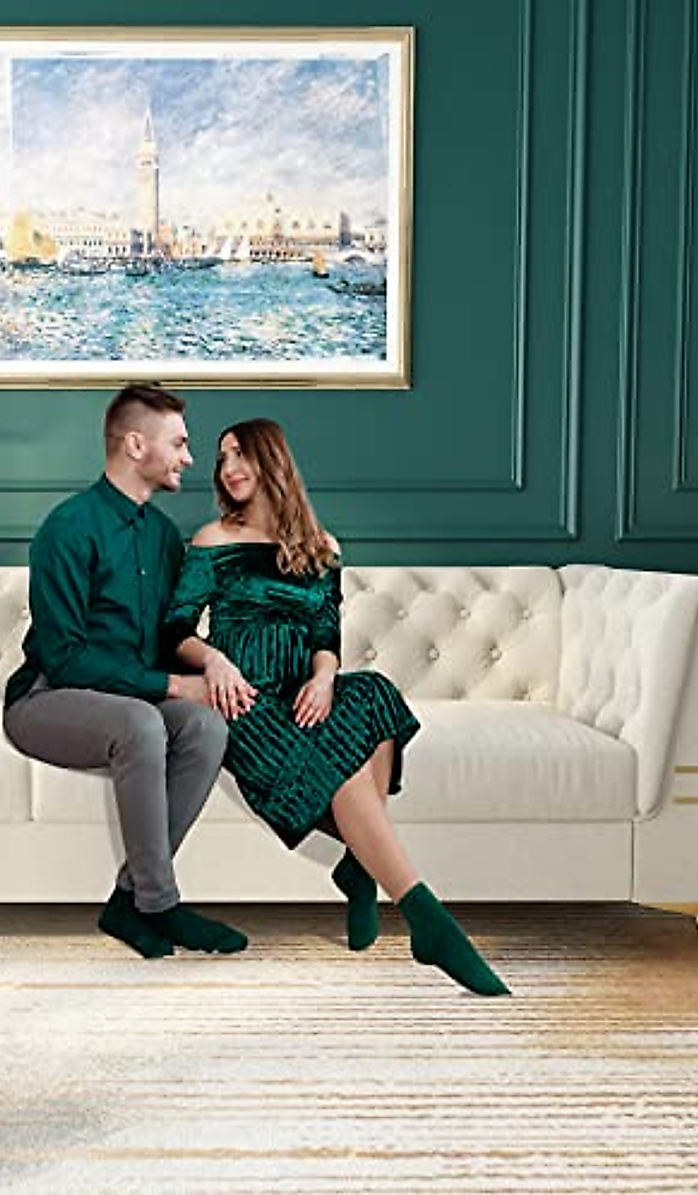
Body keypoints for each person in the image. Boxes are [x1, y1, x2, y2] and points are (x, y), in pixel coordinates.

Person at [163, 418, 509, 996]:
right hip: (247, 699)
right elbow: (174, 630)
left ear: (272, 461)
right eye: (223, 458)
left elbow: (326, 636)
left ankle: (361, 865)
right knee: (343, 761)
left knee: (371, 691)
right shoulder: (212, 539)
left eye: (240, 454)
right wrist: (214, 661)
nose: (228, 469)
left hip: (304, 692)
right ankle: (427, 919)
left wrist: (325, 679)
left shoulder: (323, 546)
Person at [3, 382, 247, 959]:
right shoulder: (68, 528)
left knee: (206, 726)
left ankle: (126, 901)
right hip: (47, 699)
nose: (190, 458)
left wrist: (215, 665)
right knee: (141, 723)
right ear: (137, 445)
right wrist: (172, 685)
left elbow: (170, 637)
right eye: (179, 444)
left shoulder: (162, 537)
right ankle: (160, 905)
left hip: (133, 698)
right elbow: (65, 658)